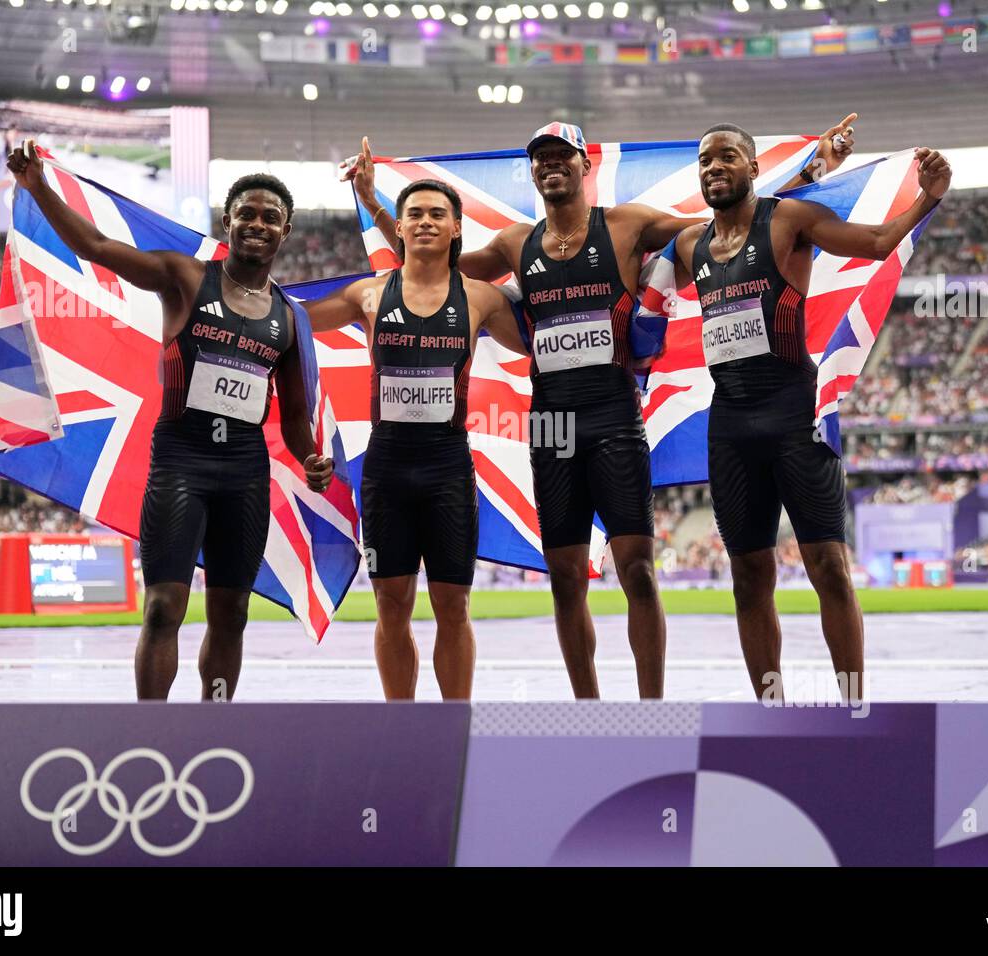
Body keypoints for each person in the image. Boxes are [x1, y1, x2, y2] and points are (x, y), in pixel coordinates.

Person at [353, 119, 856, 699]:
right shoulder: (516, 243)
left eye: (562, 155)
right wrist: (376, 205)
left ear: (584, 164)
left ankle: (651, 707)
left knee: (637, 570)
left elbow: (726, 226)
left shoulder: (627, 225)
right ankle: (588, 708)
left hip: (615, 416)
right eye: (541, 158)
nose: (552, 165)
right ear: (533, 171)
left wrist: (814, 170)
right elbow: (435, 261)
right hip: (552, 425)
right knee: (566, 581)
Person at [6, 140, 334, 701]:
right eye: (247, 214)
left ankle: (213, 724)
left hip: (245, 472)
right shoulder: (185, 277)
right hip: (181, 460)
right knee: (164, 607)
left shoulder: (288, 318)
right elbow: (97, 246)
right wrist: (39, 186)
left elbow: (297, 415)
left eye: (270, 217)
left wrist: (309, 459)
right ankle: (152, 730)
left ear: (285, 232)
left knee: (231, 613)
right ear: (228, 223)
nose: (258, 223)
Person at [670, 124, 951, 703]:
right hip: (729, 426)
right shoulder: (688, 244)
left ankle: (853, 705)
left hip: (795, 414)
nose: (713, 167)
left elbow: (874, 243)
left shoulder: (788, 222)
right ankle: (770, 709)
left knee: (828, 565)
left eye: (728, 156)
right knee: (749, 577)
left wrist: (928, 197)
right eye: (705, 159)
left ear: (752, 167)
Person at [303, 175, 525, 700]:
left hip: (447, 467)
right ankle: (400, 725)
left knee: (453, 606)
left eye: (437, 214)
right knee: (392, 605)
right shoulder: (370, 293)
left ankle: (453, 726)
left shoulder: (481, 298)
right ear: (398, 227)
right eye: (416, 214)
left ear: (455, 228)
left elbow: (546, 350)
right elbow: (290, 325)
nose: (426, 221)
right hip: (386, 468)